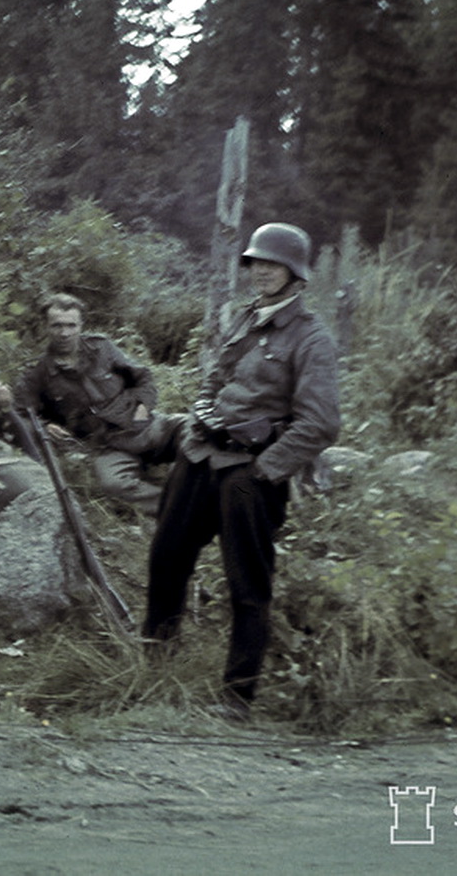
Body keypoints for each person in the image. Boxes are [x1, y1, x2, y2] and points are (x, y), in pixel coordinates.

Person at [142, 223, 341, 720]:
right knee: (166, 559)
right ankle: (153, 669)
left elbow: (320, 423)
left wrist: (266, 470)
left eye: (272, 264)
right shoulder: (244, 319)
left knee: (247, 584)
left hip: (251, 474)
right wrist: (197, 422)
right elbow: (215, 378)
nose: (261, 272)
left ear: (296, 274)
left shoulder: (313, 339)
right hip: (202, 456)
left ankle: (237, 698)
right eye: (256, 263)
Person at [0, 293, 177, 512]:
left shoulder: (102, 347)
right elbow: (22, 415)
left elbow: (143, 378)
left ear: (81, 325)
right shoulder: (37, 372)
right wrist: (45, 426)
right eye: (57, 326)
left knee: (190, 430)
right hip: (107, 446)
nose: (64, 333)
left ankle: (201, 487)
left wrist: (143, 409)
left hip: (142, 425)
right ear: (46, 327)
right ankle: (177, 507)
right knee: (114, 487)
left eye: (71, 325)